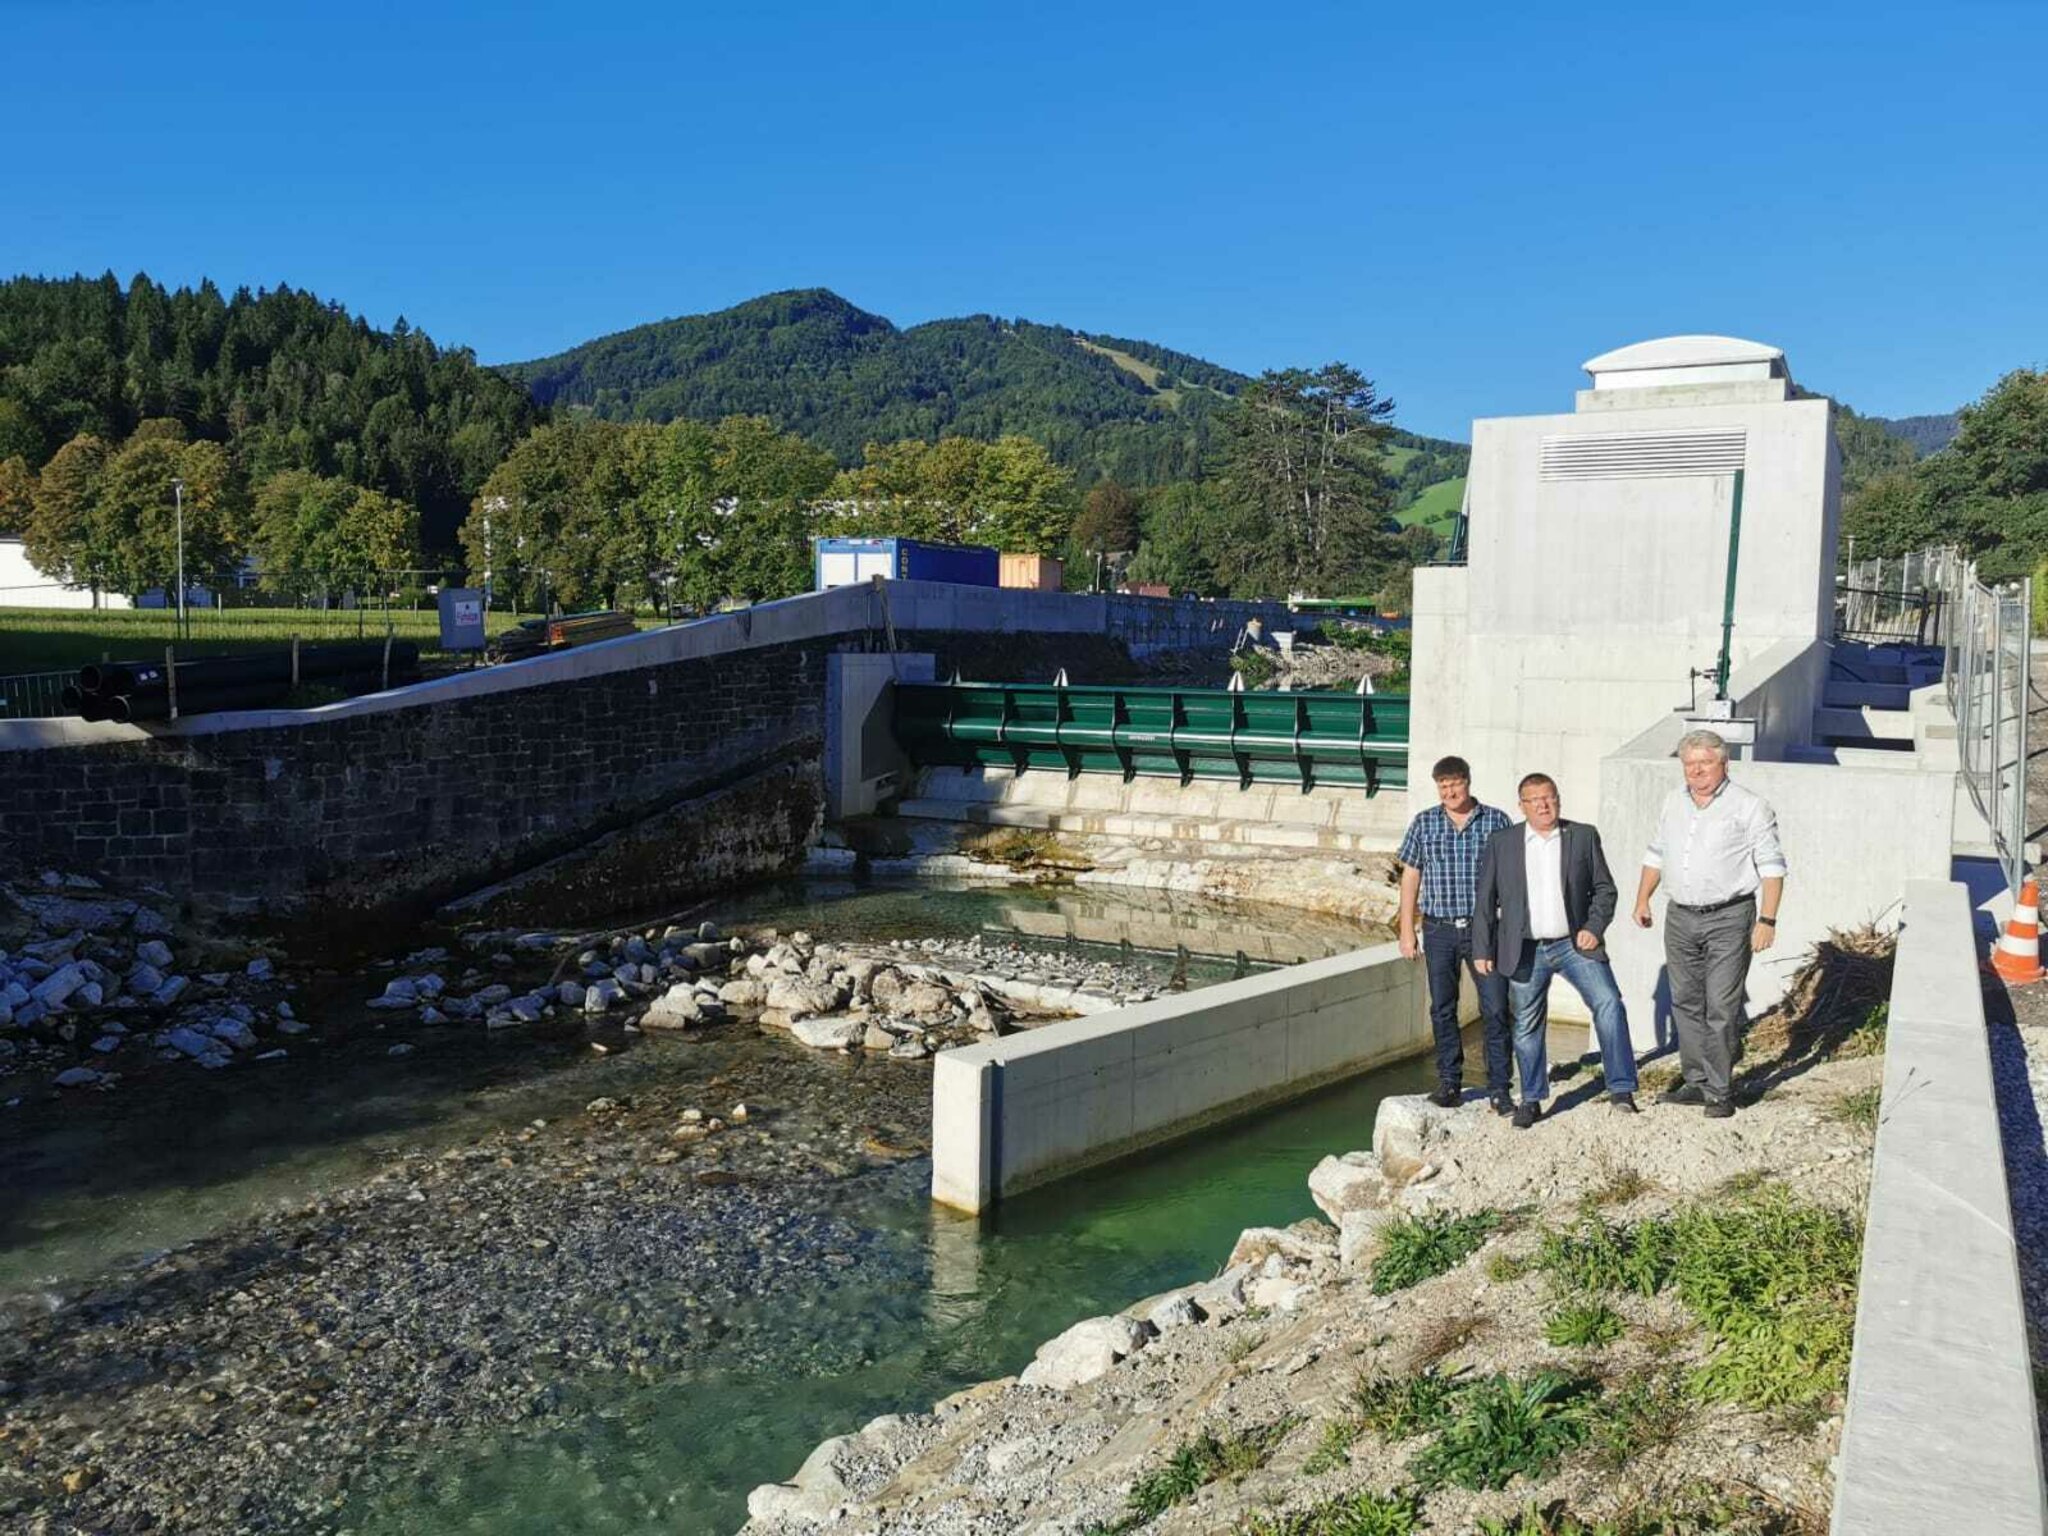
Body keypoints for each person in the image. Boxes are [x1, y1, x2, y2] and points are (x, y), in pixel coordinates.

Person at [1631, 729, 1787, 1120]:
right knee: (1685, 1000)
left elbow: (1772, 866)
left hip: (1729, 917)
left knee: (1721, 1004)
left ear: (1724, 764)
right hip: (1680, 915)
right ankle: (1695, 1080)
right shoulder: (1673, 802)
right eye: (1689, 764)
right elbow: (1657, 851)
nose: (1696, 770)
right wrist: (1642, 898)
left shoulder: (1749, 806)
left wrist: (1767, 919)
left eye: (1704, 762)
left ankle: (1719, 1090)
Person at [1472, 773, 1637, 1128]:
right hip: (1524, 948)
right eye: (1535, 800)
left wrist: (1594, 928)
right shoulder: (1503, 842)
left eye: (1550, 798)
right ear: (1523, 806)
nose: (1544, 805)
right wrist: (1482, 948)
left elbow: (1605, 890)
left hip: (1573, 944)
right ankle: (1532, 1098)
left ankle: (1621, 1088)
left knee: (1609, 1003)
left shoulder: (1582, 836)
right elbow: (1485, 901)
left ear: (1558, 799)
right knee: (1527, 1025)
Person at [1396, 756, 1514, 1113]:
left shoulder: (1496, 821)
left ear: (1468, 782)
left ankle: (1499, 1086)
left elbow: (1511, 879)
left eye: (1455, 784)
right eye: (1443, 786)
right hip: (1438, 929)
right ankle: (1450, 1083)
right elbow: (1411, 877)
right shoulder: (1425, 823)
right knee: (1442, 1009)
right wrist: (1407, 929)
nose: (1449, 791)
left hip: (1483, 930)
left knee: (1494, 1007)